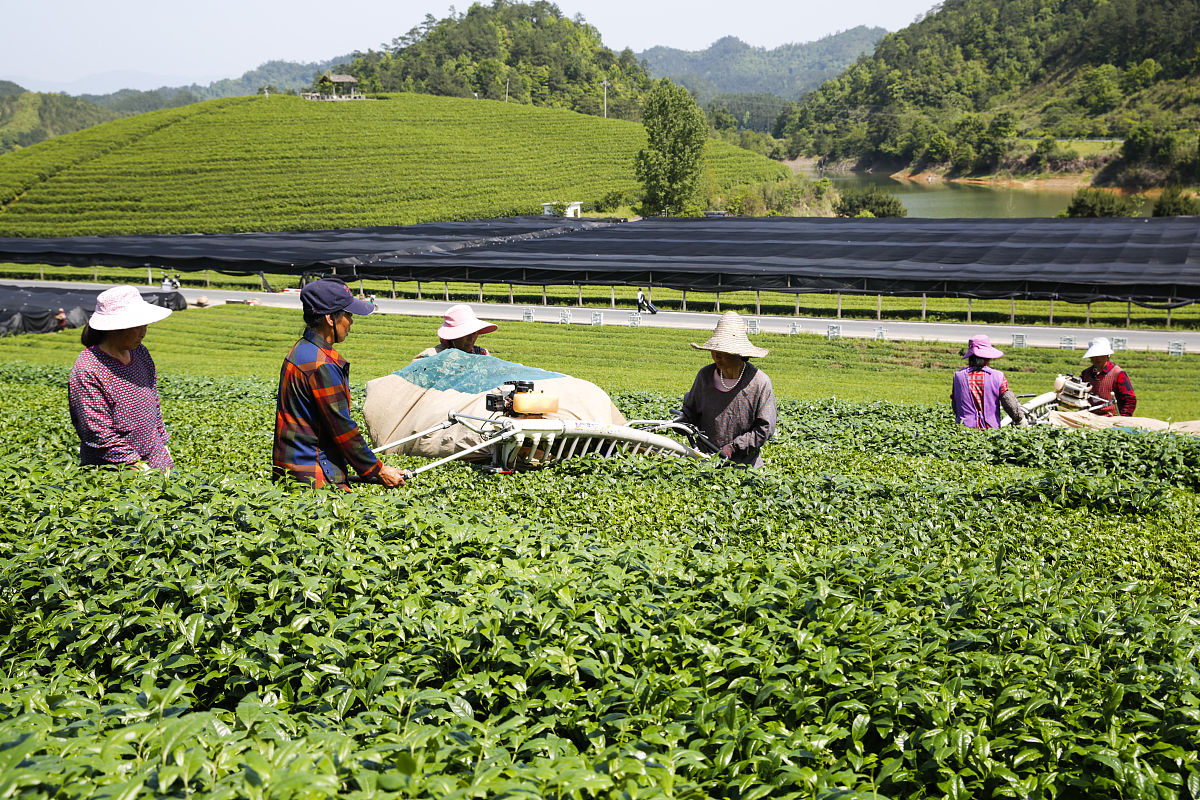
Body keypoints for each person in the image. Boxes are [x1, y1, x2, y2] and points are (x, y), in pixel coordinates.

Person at [273, 277, 408, 490]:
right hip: (315, 475)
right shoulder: (321, 365)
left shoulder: (299, 350)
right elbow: (341, 427)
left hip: (291, 470)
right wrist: (377, 470)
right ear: (329, 319)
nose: (351, 322)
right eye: (348, 315)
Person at [68, 285, 174, 472]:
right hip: (115, 467)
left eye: (145, 326)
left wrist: (163, 443)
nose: (143, 332)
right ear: (115, 328)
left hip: (154, 453)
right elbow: (96, 431)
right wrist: (134, 464)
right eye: (137, 327)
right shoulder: (89, 369)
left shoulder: (140, 353)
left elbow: (153, 399)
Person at [679, 311, 777, 467]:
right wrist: (682, 421)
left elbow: (765, 428)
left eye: (723, 352)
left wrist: (733, 447)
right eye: (714, 351)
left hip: (745, 466)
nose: (717, 357)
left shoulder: (759, 382)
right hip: (705, 461)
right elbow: (691, 411)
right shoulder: (705, 376)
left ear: (739, 354)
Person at [950, 334, 1028, 428]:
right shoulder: (997, 376)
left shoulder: (958, 376)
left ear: (970, 356)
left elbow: (956, 404)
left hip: (964, 430)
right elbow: (1008, 401)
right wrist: (1019, 418)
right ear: (988, 358)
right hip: (990, 430)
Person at [413, 304, 498, 360]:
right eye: (466, 333)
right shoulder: (432, 356)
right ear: (453, 337)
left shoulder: (482, 354)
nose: (471, 338)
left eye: (474, 333)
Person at [1080, 337, 1136, 416]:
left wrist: (1123, 419)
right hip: (1089, 417)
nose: (1097, 358)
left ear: (1108, 355)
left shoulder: (1118, 374)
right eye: (1094, 355)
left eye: (1100, 355)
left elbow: (1129, 400)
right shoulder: (1086, 374)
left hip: (1111, 419)